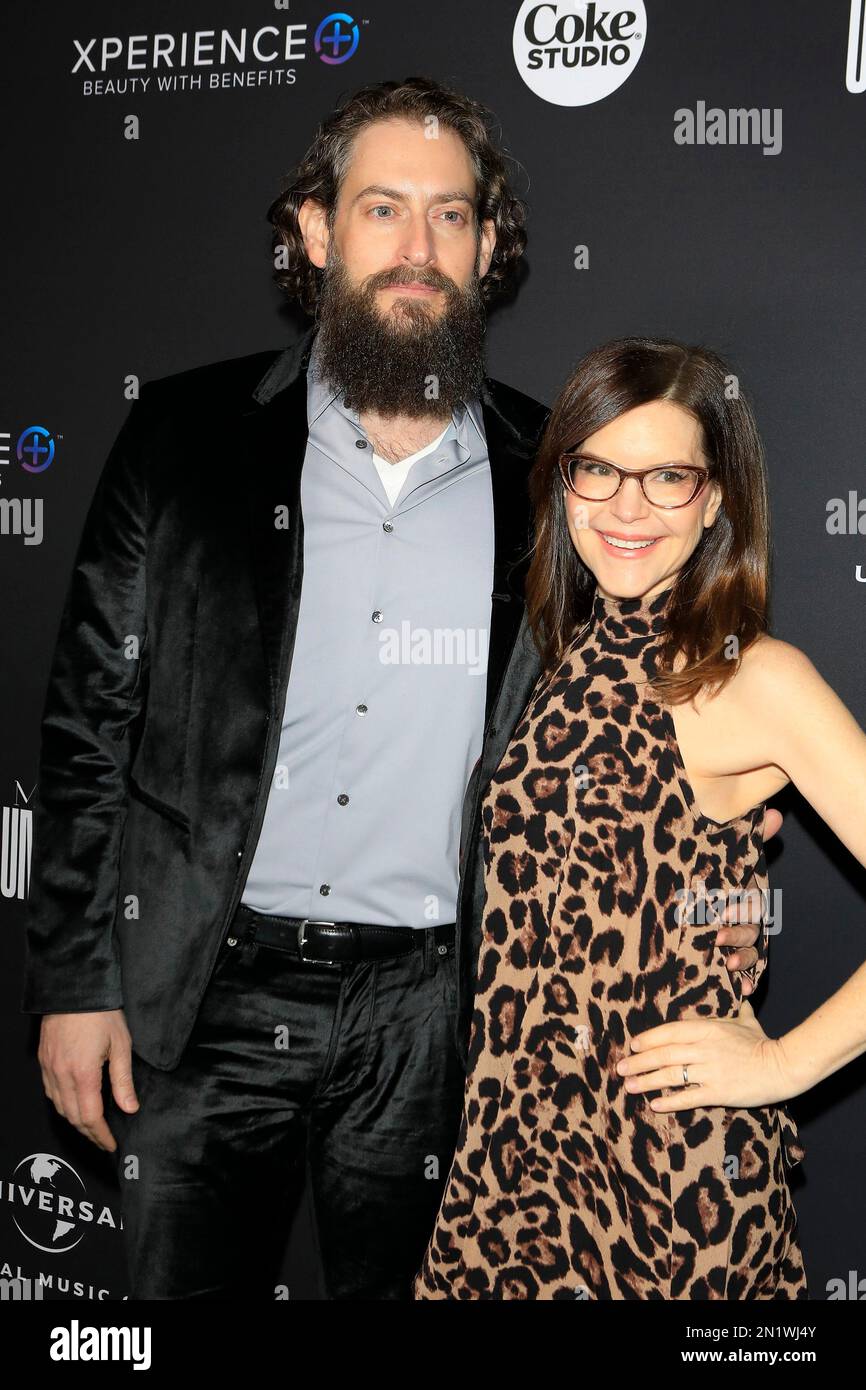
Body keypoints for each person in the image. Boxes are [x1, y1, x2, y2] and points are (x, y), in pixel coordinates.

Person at [22, 81, 765, 1302]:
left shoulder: (558, 481)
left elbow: (658, 709)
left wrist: (719, 878)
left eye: (450, 217)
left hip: (443, 1009)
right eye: (381, 210)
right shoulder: (183, 439)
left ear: (486, 247)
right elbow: (86, 729)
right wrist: (75, 983)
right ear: (316, 233)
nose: (417, 249)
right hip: (201, 987)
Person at [416, 335, 866, 1300]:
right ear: (561, 482)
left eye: (666, 476)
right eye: (598, 470)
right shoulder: (549, 656)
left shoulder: (753, 679)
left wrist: (783, 1064)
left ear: (715, 503)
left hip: (666, 1178)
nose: (626, 507)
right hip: (508, 1162)